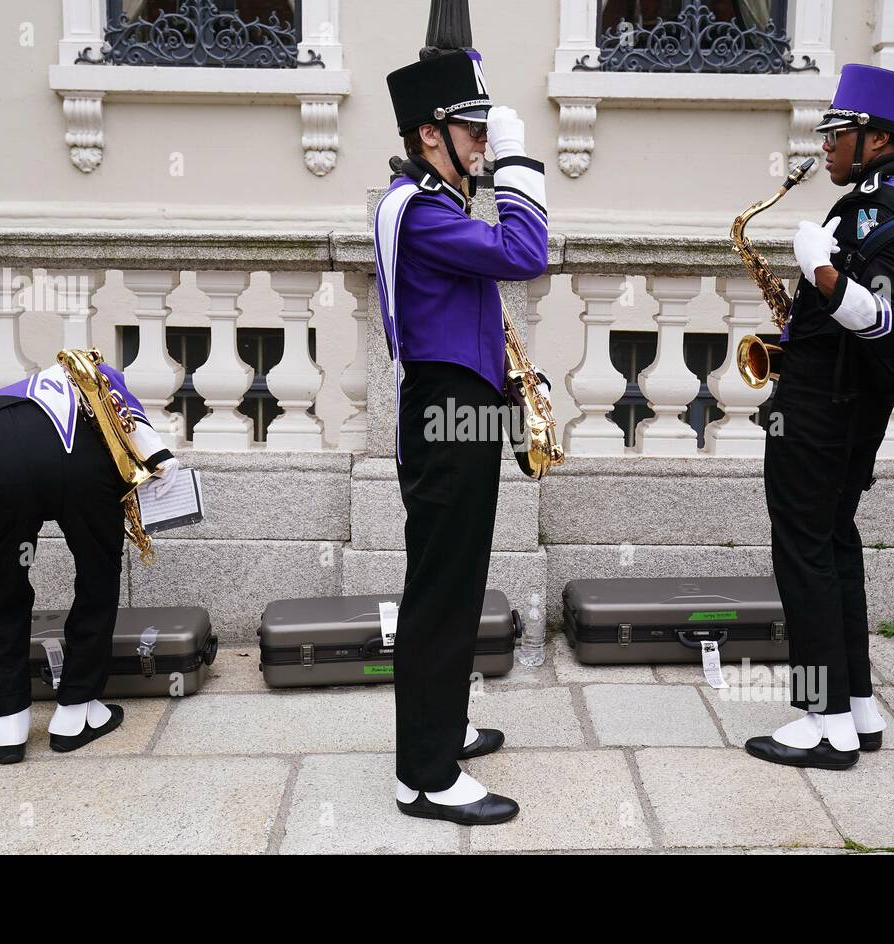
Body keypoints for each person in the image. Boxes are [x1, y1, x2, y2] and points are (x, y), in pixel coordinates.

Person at [746, 64, 894, 770]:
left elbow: (888, 323)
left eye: (837, 133)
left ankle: (821, 720)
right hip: (853, 406)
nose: (825, 146)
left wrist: (821, 272)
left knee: (803, 554)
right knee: (833, 547)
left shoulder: (876, 209)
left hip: (821, 409)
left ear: (877, 139)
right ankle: (857, 707)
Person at [375, 48, 549, 824]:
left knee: (456, 585)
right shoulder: (421, 211)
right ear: (429, 134)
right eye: (473, 129)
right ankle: (425, 776)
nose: (482, 140)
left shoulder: (439, 205)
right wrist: (517, 161)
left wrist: (516, 387)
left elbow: (472, 308)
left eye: (486, 131)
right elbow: (526, 253)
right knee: (442, 594)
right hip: (447, 417)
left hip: (463, 407)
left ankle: (443, 730)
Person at [0, 353, 179, 763]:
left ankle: (7, 723)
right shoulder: (103, 387)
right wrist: (160, 460)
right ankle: (76, 712)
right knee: (97, 577)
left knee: (3, 580)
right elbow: (136, 430)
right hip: (85, 465)